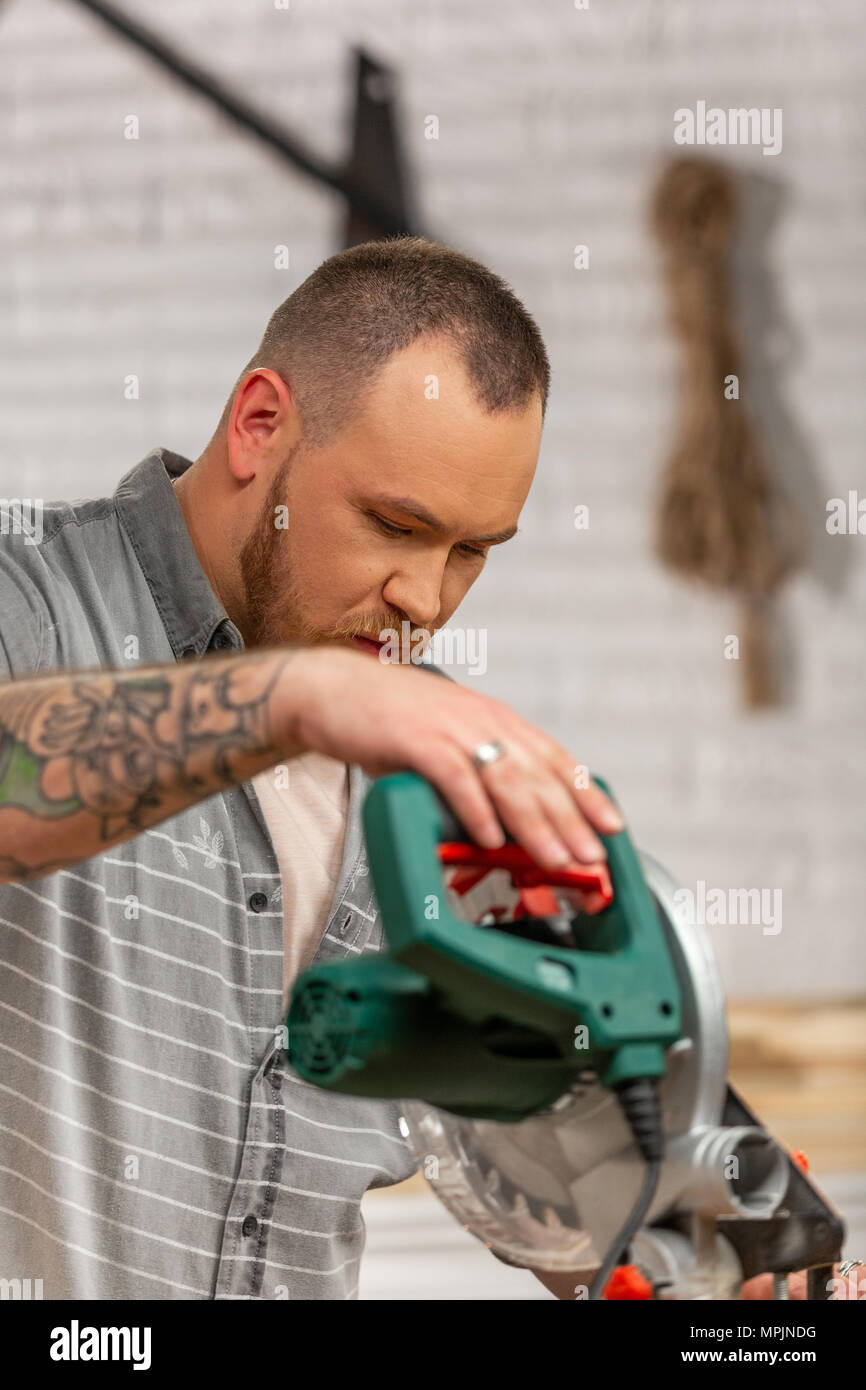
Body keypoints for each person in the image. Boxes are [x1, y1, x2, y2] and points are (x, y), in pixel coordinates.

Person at [0, 236, 852, 1301]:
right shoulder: (26, 599)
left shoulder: (442, 777)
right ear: (259, 425)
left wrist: (712, 1260)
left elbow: (580, 1170)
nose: (425, 600)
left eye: (471, 550)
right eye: (393, 525)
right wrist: (298, 700)